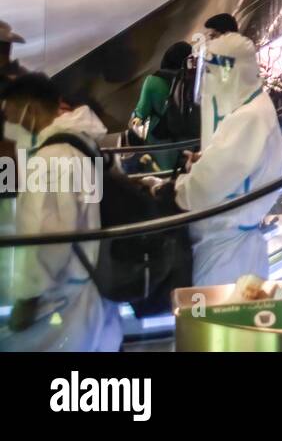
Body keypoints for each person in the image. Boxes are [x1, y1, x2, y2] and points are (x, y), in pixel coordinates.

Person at [1, 73, 122, 352]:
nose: (8, 127)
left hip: (62, 302)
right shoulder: (79, 142)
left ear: (29, 111)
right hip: (90, 286)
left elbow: (43, 239)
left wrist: (26, 299)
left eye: (10, 116)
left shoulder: (49, 160)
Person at [167, 33, 282, 286]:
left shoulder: (249, 119)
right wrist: (204, 160)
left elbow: (205, 186)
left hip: (227, 253)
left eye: (210, 72)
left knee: (215, 320)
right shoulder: (250, 107)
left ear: (229, 73)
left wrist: (170, 190)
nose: (207, 81)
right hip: (228, 247)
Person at [128, 41, 193, 172]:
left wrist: (133, 121)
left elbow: (141, 113)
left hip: (162, 142)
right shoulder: (193, 79)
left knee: (162, 174)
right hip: (189, 140)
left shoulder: (153, 81)